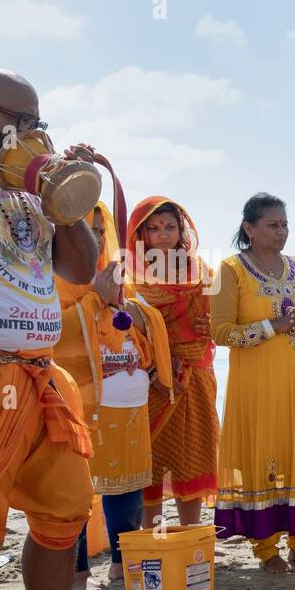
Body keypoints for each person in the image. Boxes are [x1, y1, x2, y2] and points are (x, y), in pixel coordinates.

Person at [0, 64, 129, 590]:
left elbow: (82, 270)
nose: (31, 133)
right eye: (21, 120)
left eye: (38, 123)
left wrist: (63, 194)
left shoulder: (25, 189)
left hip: (38, 375)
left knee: (62, 518)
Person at [212, 193, 295, 573]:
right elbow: (220, 332)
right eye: (272, 225)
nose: (281, 231)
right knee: (263, 452)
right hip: (257, 386)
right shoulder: (231, 270)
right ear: (249, 228)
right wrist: (273, 326)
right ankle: (265, 549)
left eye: (284, 224)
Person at [55, 203, 171, 590]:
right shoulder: (46, 282)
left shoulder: (120, 281)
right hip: (76, 408)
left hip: (127, 407)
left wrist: (137, 314)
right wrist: (94, 302)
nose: (95, 240)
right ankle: (76, 576)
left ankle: (122, 567)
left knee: (126, 487)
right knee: (73, 492)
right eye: (83, 230)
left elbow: (148, 333)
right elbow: (55, 338)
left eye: (99, 231)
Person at [125, 197, 215, 534]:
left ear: (182, 230)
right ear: (141, 233)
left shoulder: (202, 271)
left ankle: (190, 532)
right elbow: (127, 327)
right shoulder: (130, 275)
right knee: (152, 460)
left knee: (191, 456)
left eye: (170, 227)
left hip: (196, 371)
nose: (163, 235)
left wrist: (210, 327)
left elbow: (213, 319)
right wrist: (158, 365)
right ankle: (153, 535)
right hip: (150, 376)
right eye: (154, 228)